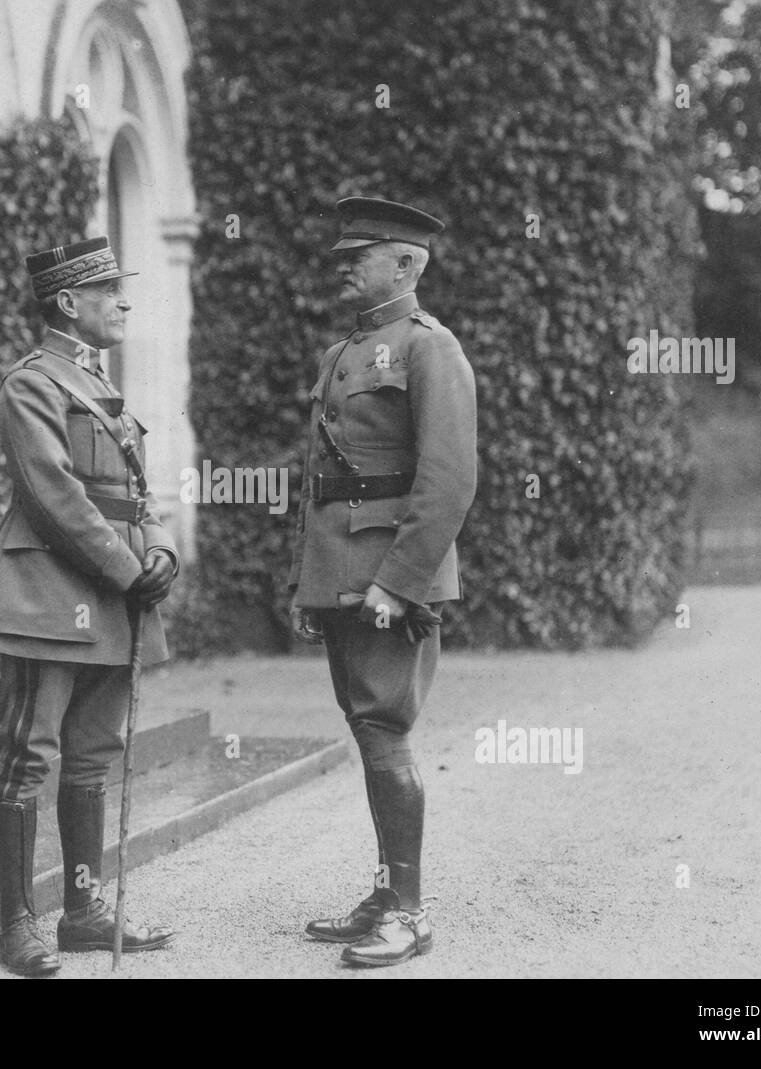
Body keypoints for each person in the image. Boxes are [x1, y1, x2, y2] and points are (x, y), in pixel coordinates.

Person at [0, 236, 179, 976]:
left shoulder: (100, 383)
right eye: (109, 290)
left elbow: (136, 493)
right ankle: (16, 926)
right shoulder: (32, 384)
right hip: (48, 595)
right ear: (68, 302)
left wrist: (160, 551)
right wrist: (129, 569)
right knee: (30, 755)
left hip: (115, 593)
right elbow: (53, 497)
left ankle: (84, 911)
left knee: (93, 755)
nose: (123, 302)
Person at [288, 196, 477, 967]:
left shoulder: (433, 349)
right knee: (370, 735)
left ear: (406, 263)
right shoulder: (342, 354)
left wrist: (398, 582)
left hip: (391, 578)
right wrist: (311, 584)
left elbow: (449, 479)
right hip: (340, 573)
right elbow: (320, 481)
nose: (343, 266)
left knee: (386, 732)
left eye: (359, 254)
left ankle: (410, 911)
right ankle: (386, 889)